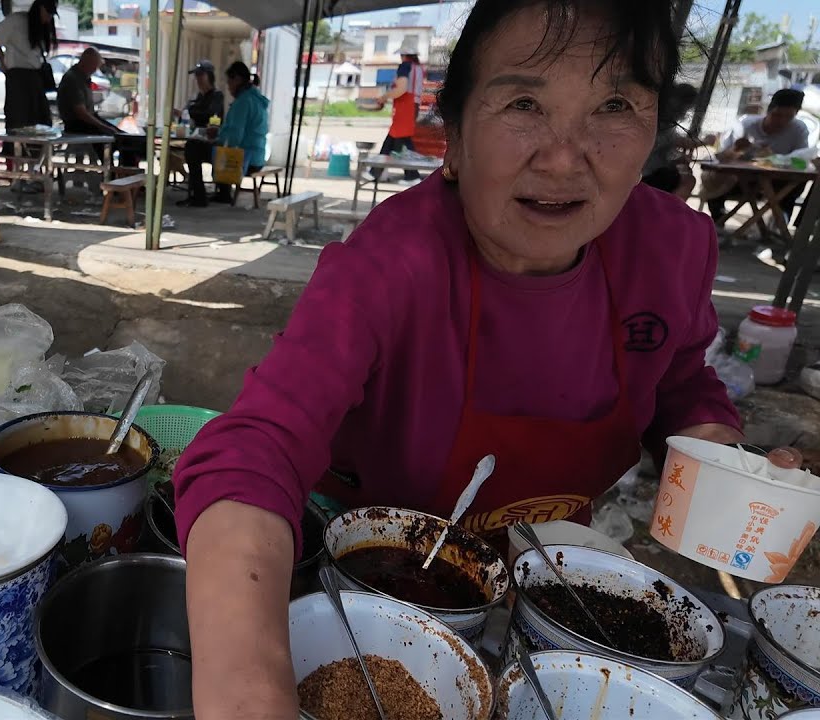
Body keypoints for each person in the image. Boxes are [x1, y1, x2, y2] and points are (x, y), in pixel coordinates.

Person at [173, 1, 744, 716]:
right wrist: (250, 693)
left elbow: (683, 380)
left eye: (615, 105)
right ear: (454, 137)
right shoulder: (390, 264)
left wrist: (722, 458)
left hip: (550, 606)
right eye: (525, 102)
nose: (565, 158)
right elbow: (256, 448)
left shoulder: (675, 250)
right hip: (361, 594)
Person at [705, 88, 812, 231]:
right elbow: (721, 156)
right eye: (777, 115)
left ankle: (780, 217)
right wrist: (736, 149)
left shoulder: (799, 129)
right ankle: (718, 217)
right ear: (768, 111)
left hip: (776, 183)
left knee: (799, 181)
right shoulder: (746, 125)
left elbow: (801, 157)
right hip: (739, 181)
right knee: (716, 174)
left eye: (789, 117)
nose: (782, 121)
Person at [192, 61, 268, 207]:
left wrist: (215, 137)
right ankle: (223, 193)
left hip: (245, 159)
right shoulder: (256, 98)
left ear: (237, 80)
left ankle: (199, 196)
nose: (228, 87)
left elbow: (234, 138)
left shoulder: (244, 101)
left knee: (194, 148)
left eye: (229, 82)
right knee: (215, 148)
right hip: (257, 155)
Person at [56, 48, 143, 167]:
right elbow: (81, 113)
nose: (95, 69)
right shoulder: (73, 79)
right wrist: (103, 126)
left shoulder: (83, 78)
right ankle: (113, 175)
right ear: (86, 62)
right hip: (78, 124)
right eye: (94, 66)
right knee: (116, 139)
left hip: (88, 120)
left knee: (125, 138)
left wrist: (105, 126)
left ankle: (126, 176)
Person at [0, 0, 58, 135]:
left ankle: (36, 153)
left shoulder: (41, 27)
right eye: (47, 13)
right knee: (19, 119)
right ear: (39, 8)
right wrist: (3, 62)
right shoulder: (16, 20)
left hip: (35, 76)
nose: (48, 17)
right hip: (17, 75)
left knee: (40, 118)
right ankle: (17, 151)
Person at [375, 36, 427, 183]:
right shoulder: (419, 68)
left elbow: (402, 89)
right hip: (414, 106)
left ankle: (411, 176)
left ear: (403, 54)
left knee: (401, 139)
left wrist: (384, 97)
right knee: (395, 139)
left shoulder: (405, 66)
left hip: (405, 106)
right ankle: (376, 172)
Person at [177, 60, 225, 207]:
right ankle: (195, 193)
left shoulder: (217, 96)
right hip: (197, 139)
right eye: (196, 76)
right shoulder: (197, 97)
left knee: (192, 150)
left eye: (201, 75)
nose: (198, 79)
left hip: (212, 142)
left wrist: (190, 112)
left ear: (209, 76)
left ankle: (199, 196)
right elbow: (187, 115)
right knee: (189, 147)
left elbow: (210, 114)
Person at [641, 83, 701, 198]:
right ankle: (667, 213)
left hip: (647, 172)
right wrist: (707, 142)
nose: (684, 113)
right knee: (688, 180)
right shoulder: (661, 123)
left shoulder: (661, 120)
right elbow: (680, 142)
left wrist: (677, 158)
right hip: (647, 175)